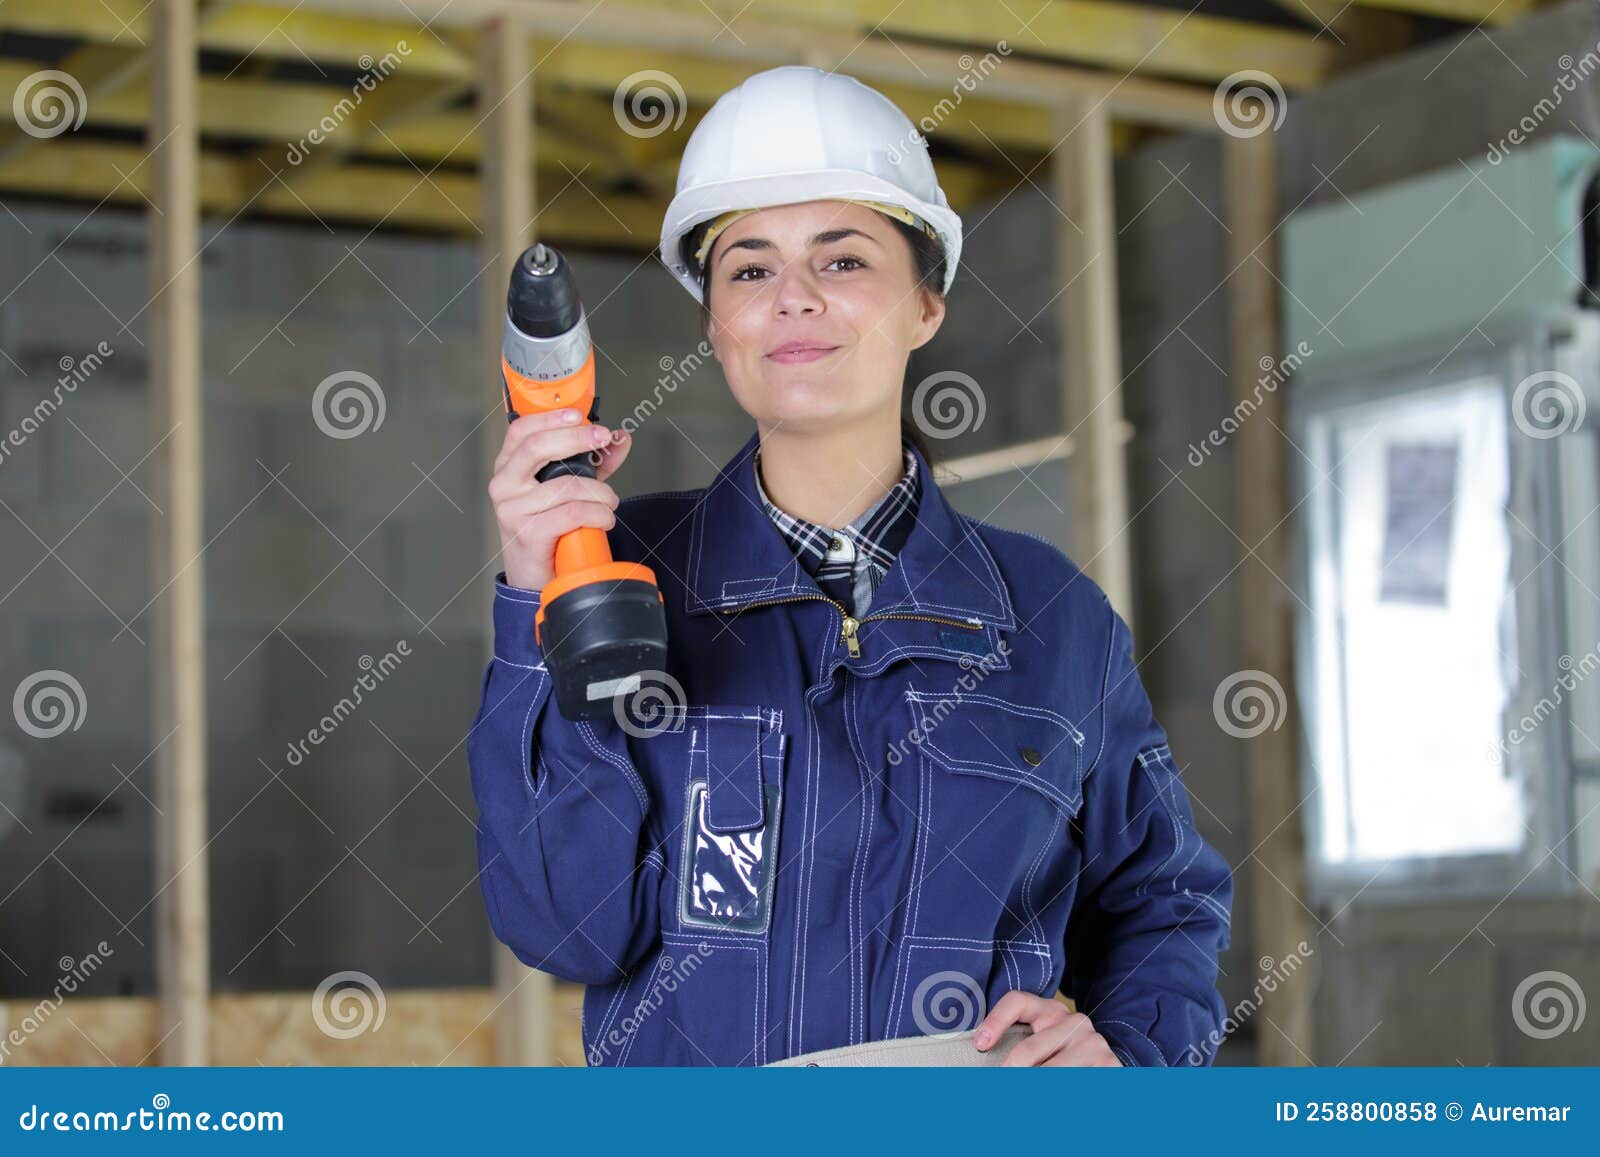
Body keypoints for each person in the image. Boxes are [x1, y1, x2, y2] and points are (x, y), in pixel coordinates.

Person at [467, 65, 1232, 1067]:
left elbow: (1161, 902)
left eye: (841, 261)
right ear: (715, 323)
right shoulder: (620, 574)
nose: (792, 299)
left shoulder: (1050, 616)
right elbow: (566, 927)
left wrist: (1127, 1058)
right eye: (749, 269)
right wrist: (540, 606)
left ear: (924, 306)